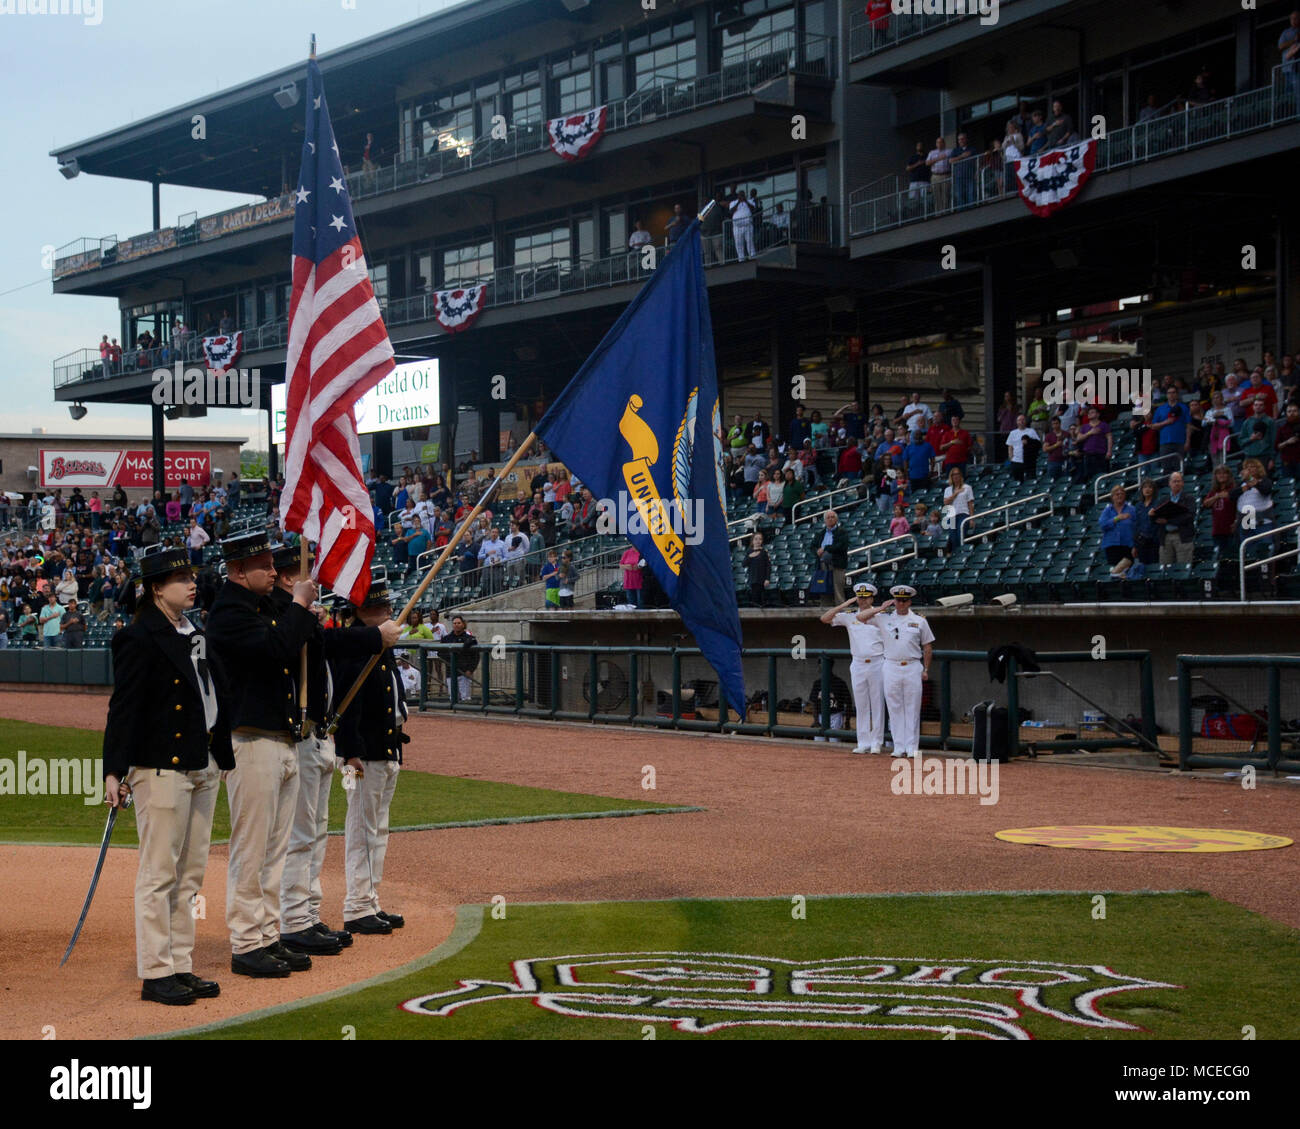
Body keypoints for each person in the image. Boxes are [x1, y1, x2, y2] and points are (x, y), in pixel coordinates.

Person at [101, 546, 234, 1006]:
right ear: (156, 588)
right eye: (179, 577)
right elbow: (124, 707)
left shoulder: (195, 632)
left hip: (201, 761)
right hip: (159, 764)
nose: (191, 582)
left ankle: (180, 963)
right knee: (159, 873)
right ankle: (156, 971)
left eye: (191, 575)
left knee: (190, 873)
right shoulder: (139, 637)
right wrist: (114, 770)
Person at [270, 545, 396, 955]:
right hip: (304, 738)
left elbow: (333, 645)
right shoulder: (280, 621)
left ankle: (307, 915)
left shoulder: (308, 623)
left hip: (322, 736)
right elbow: (341, 663)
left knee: (317, 833)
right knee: (302, 835)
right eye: (294, 573)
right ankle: (295, 919)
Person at [205, 529, 320, 979]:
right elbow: (276, 647)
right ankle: (246, 942)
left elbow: (296, 640)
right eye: (265, 566)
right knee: (252, 849)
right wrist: (299, 606)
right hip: (249, 740)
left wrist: (300, 607)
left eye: (275, 564)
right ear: (237, 571)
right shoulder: (229, 612)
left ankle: (269, 934)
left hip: (279, 736)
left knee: (275, 848)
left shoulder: (259, 606)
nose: (275, 572)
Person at [822, 582, 891, 754]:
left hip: (877, 662)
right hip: (858, 662)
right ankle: (863, 741)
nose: (862, 600)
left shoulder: (881, 614)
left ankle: (876, 742)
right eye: (859, 597)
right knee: (861, 704)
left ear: (872, 598)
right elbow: (825, 618)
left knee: (876, 704)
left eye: (865, 597)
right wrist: (845, 604)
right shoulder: (849, 615)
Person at [876, 585, 933, 759]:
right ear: (894, 601)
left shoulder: (919, 620)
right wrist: (881, 608)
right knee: (894, 707)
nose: (901, 603)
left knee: (912, 707)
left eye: (904, 600)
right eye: (898, 600)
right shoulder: (884, 618)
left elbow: (928, 646)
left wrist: (926, 669)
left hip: (912, 665)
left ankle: (912, 747)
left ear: (909, 601)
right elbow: (861, 617)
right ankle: (899, 746)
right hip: (891, 665)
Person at [1156, 471, 1196, 565]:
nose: (1176, 483)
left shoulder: (1189, 499)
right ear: (1169, 483)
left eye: (1179, 481)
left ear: (1183, 483)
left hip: (1183, 536)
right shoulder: (1163, 500)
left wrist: (1168, 520)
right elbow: (1157, 518)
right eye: (1174, 481)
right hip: (1165, 537)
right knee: (1165, 568)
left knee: (1183, 567)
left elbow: (1189, 517)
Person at [810, 509, 848, 605]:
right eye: (828, 517)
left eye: (832, 517)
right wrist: (817, 551)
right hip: (822, 565)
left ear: (836, 519)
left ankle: (840, 612)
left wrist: (825, 549)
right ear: (825, 520)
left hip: (837, 565)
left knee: (838, 590)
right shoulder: (820, 534)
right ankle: (825, 612)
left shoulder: (842, 532)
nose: (830, 519)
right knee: (824, 589)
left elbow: (841, 546)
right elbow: (812, 546)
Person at [1100, 484, 1137, 576]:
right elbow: (1103, 524)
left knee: (1127, 572)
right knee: (1115, 572)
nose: (1119, 495)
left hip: (1127, 546)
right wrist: (1117, 518)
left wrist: (1135, 545)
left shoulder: (1131, 510)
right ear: (1112, 497)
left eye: (1122, 493)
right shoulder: (1108, 510)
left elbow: (1137, 527)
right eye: (1117, 494)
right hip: (1112, 546)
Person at [1202, 465, 1239, 558]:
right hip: (1217, 531)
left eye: (1224, 473)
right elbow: (1205, 504)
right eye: (1218, 473)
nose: (1221, 475)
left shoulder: (1233, 489)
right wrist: (1216, 497)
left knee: (1232, 557)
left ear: (1228, 475)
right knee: (1219, 558)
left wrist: (1237, 522)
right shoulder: (1213, 491)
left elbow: (1241, 506)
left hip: (1231, 530)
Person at [444, 614, 478, 703]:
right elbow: (441, 654)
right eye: (454, 623)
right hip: (451, 672)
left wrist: (470, 670)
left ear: (463, 624)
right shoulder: (446, 639)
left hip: (464, 672)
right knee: (453, 698)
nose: (456, 625)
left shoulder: (470, 639)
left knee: (465, 698)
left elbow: (476, 656)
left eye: (459, 623)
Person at [943, 467, 975, 553]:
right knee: (953, 538)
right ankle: (955, 555)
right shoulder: (948, 489)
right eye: (954, 475)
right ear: (951, 477)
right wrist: (956, 493)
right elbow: (946, 502)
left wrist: (972, 518)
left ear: (960, 476)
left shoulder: (967, 487)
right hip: (951, 516)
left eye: (957, 474)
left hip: (963, 514)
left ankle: (961, 554)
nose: (956, 476)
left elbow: (970, 504)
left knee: (960, 535)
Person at [1005, 414, 1038, 482]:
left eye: (1023, 420)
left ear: (1025, 421)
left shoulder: (1031, 431)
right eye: (1019, 420)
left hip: (1029, 461)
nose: (1021, 421)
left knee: (1030, 480)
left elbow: (1037, 443)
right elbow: (1010, 446)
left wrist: (1029, 442)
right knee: (1017, 481)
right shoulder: (1013, 433)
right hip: (1016, 461)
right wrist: (1011, 457)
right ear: (1017, 422)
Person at [745, 531, 772, 608]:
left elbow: (768, 566)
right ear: (752, 541)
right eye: (756, 539)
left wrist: (767, 578)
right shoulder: (749, 551)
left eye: (760, 539)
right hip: (753, 579)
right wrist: (750, 556)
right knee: (754, 599)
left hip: (762, 579)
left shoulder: (764, 552)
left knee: (761, 600)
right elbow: (744, 564)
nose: (758, 541)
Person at [729, 190, 756, 261]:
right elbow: (731, 211)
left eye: (742, 195)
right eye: (740, 195)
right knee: (738, 244)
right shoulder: (733, 202)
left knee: (750, 242)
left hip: (748, 225)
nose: (741, 196)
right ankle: (741, 259)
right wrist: (738, 202)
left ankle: (752, 257)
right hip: (737, 227)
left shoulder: (750, 201)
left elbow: (753, 209)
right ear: (738, 196)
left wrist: (745, 201)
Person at [620, 543, 645, 607]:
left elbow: (646, 564)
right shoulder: (627, 552)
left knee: (641, 604)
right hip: (629, 582)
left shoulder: (643, 552)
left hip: (640, 581)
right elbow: (620, 565)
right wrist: (626, 566)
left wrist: (639, 566)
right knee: (631, 605)